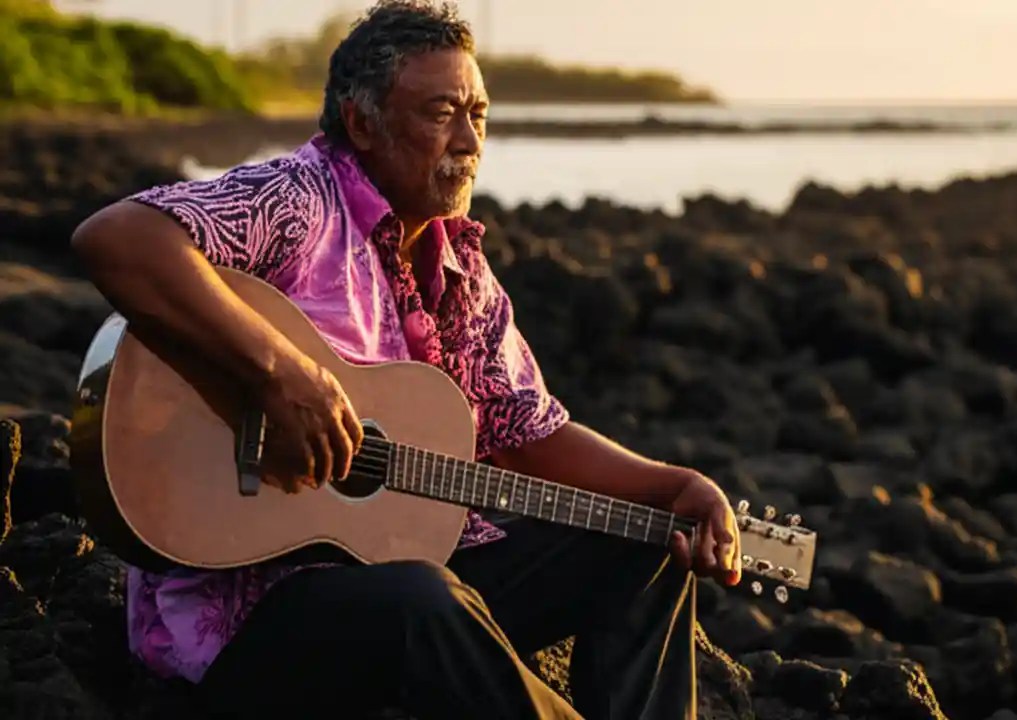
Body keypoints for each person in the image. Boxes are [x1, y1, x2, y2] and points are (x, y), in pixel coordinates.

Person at [70, 2, 741, 718]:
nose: (467, 141)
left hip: (402, 582)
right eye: (441, 112)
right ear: (363, 124)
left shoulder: (461, 267)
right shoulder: (297, 201)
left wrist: (671, 485)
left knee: (641, 542)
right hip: (253, 627)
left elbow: (524, 431)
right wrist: (280, 373)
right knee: (418, 597)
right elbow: (120, 238)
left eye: (477, 114)